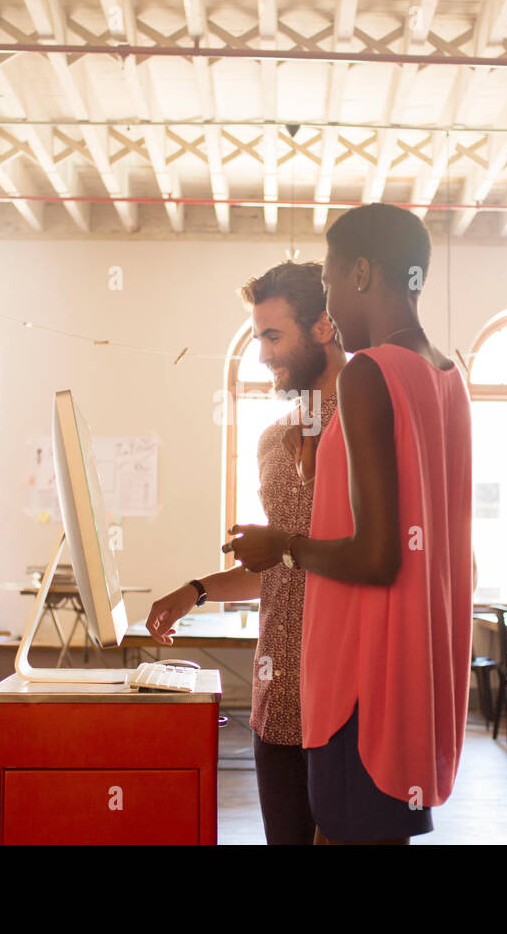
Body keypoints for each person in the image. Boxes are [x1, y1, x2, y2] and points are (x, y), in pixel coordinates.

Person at [226, 203, 473, 844]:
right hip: (412, 680)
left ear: (362, 272)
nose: (330, 302)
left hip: (357, 683)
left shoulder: (370, 372)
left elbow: (376, 556)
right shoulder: (449, 375)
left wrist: (282, 545)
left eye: (332, 280)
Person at [146, 260, 346, 845]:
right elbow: (280, 568)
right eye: (257, 336)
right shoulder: (271, 439)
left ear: (324, 327)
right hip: (275, 699)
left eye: (272, 335)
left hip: (344, 701)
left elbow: (373, 556)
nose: (261, 353)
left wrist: (282, 546)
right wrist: (198, 589)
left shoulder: (367, 424)